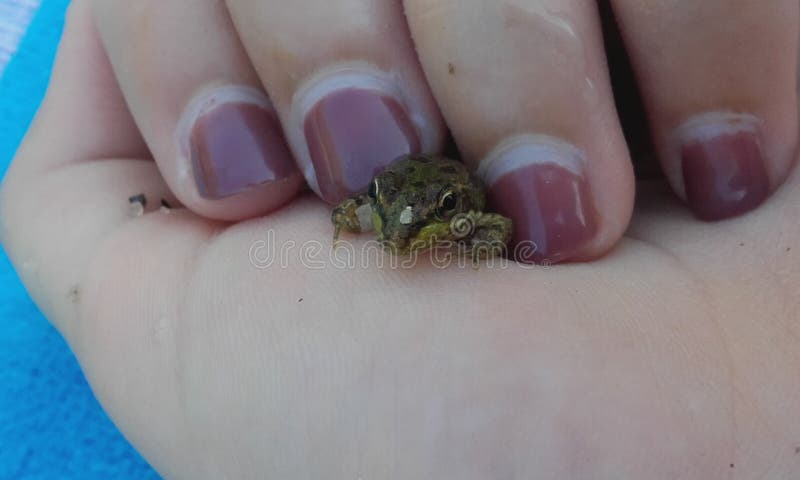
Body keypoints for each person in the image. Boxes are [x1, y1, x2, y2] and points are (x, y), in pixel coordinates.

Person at [2, 0, 798, 477]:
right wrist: (361, 218)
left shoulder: (455, 222)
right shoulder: (370, 220)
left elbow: (486, 227)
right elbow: (364, 212)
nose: (395, 236)